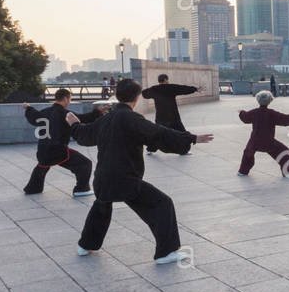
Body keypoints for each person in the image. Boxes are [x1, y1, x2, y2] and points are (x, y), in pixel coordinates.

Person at [68, 78, 213, 264]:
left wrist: (74, 124)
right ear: (136, 97)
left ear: (118, 95)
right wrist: (191, 138)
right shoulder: (131, 118)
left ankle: (85, 245)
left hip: (103, 178)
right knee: (162, 204)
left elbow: (84, 135)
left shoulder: (107, 118)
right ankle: (166, 252)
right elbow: (159, 133)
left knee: (102, 207)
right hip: (125, 179)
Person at [21, 89, 104, 196]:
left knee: (43, 165)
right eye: (70, 99)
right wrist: (98, 112)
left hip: (42, 150)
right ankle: (81, 189)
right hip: (58, 150)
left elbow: (33, 115)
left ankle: (32, 189)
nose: (69, 101)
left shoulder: (44, 112)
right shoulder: (65, 114)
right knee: (85, 164)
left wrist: (28, 107)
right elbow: (83, 118)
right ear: (65, 98)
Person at [238, 90, 289, 176]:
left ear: (258, 100)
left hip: (254, 141)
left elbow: (245, 117)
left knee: (248, 153)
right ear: (270, 101)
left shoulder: (254, 112)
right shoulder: (271, 113)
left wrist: (241, 112)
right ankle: (288, 173)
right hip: (268, 141)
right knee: (284, 152)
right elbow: (285, 119)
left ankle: (242, 172)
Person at [142, 73, 198, 155]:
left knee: (157, 134)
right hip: (173, 116)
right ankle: (184, 150)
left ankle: (150, 149)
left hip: (161, 117)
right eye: (167, 80)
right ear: (165, 80)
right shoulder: (170, 87)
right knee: (182, 133)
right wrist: (195, 89)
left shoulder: (154, 89)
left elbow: (144, 93)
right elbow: (183, 89)